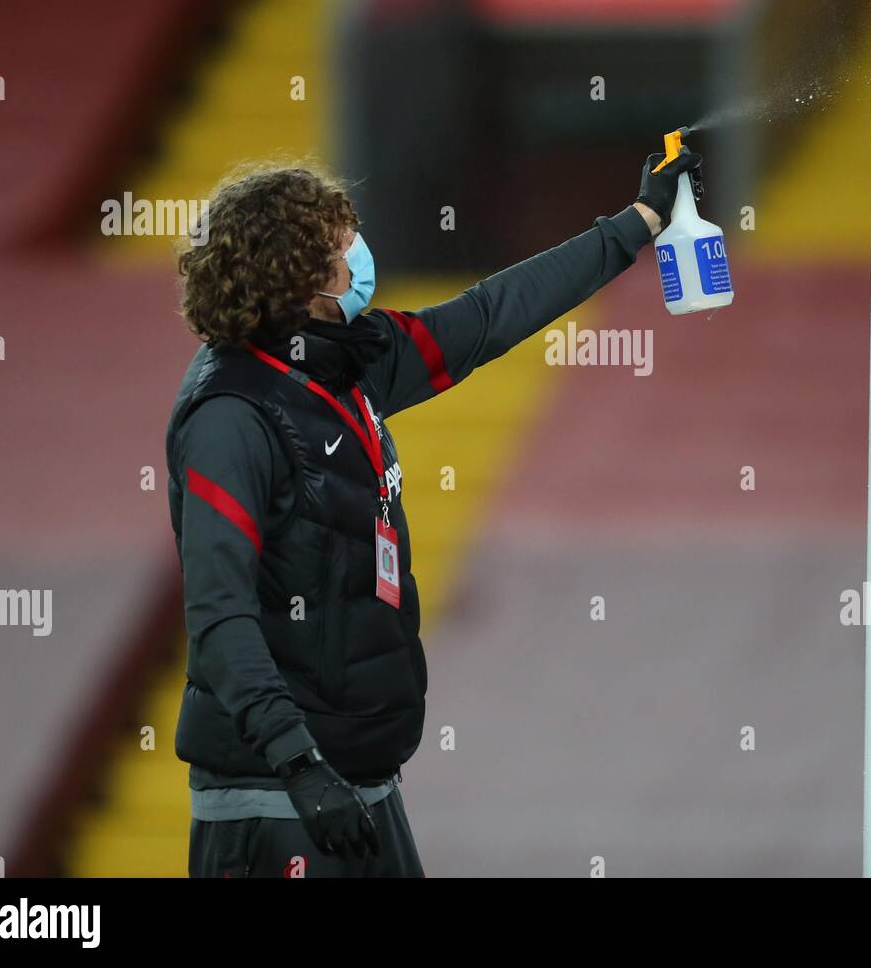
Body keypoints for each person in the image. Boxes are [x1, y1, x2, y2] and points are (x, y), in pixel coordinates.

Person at [167, 148, 702, 877]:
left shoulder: (347, 357)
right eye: (338, 242)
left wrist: (636, 223)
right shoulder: (230, 416)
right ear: (297, 277)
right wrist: (299, 764)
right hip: (279, 799)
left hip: (362, 784)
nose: (358, 250)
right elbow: (220, 613)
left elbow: (489, 315)